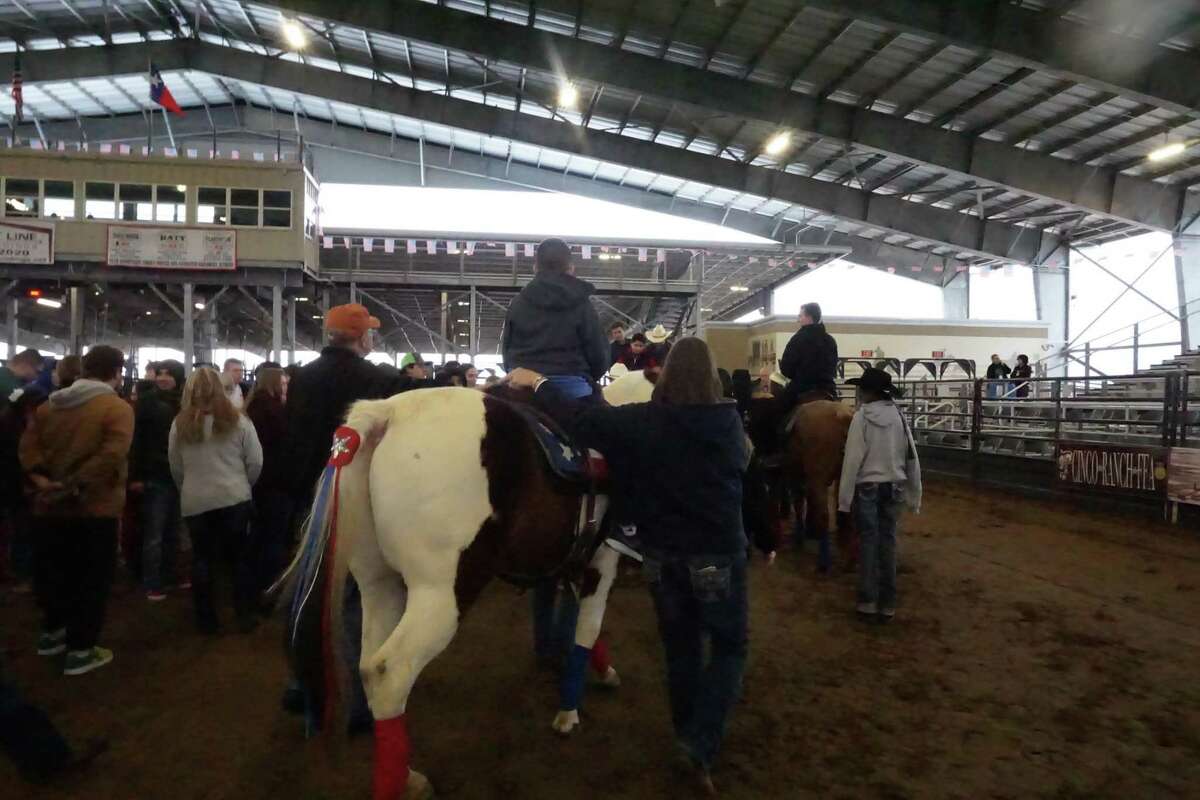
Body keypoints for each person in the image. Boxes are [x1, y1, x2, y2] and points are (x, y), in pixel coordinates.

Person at [509, 337, 749, 795]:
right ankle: (698, 743)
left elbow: (582, 419)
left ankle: (687, 737)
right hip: (717, 551)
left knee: (679, 650)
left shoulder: (644, 422)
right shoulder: (727, 422)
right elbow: (742, 471)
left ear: (665, 374)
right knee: (729, 647)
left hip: (662, 555)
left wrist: (538, 382)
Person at [284, 303, 424, 728]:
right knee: (360, 598)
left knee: (309, 595)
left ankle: (302, 686)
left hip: (311, 497)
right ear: (362, 337)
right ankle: (360, 702)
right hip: (361, 502)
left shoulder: (303, 378)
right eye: (371, 334)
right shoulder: (378, 379)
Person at [19, 345, 133, 676]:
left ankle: (52, 633)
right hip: (93, 506)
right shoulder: (116, 408)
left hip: (48, 506)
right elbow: (112, 456)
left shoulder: (48, 406)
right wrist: (73, 484)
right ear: (116, 371)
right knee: (91, 578)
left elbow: (28, 449)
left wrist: (44, 482)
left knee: (53, 572)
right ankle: (81, 649)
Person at [169, 367, 262, 634]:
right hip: (234, 498)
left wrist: (188, 488)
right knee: (239, 561)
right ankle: (244, 615)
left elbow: (175, 466)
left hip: (195, 501)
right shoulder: (239, 421)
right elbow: (255, 461)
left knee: (202, 560)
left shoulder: (179, 424)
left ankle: (207, 621)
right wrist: (243, 485)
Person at [837, 368, 922, 623]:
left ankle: (867, 600)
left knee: (868, 543)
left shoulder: (861, 418)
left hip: (868, 487)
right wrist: (914, 493)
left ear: (868, 392)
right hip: (894, 485)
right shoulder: (898, 417)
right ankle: (888, 603)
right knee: (888, 541)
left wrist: (844, 500)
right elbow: (911, 456)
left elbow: (852, 460)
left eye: (861, 389)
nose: (859, 393)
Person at [501, 237, 609, 401]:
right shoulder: (582, 304)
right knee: (602, 424)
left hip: (522, 388)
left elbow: (506, 351)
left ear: (535, 268)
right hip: (572, 388)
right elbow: (599, 355)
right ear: (571, 268)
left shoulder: (517, 303)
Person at [130, 359, 186, 602]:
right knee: (154, 532)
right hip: (155, 475)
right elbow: (137, 442)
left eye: (168, 374)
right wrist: (136, 476)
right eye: (160, 374)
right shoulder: (146, 403)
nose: (163, 378)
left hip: (180, 476)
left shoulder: (185, 402)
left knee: (174, 530)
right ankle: (152, 581)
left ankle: (170, 574)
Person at [245, 366, 291, 596]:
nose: (286, 388)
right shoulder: (275, 411)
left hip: (257, 482)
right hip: (275, 481)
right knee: (273, 537)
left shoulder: (251, 408)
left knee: (258, 534)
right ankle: (269, 587)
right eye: (282, 384)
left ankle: (254, 585)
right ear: (273, 384)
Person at [779, 302, 838, 405]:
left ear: (809, 317)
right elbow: (833, 365)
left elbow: (786, 368)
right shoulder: (830, 340)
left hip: (802, 387)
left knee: (778, 412)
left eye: (800, 316)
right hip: (827, 387)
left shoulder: (797, 339)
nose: (798, 320)